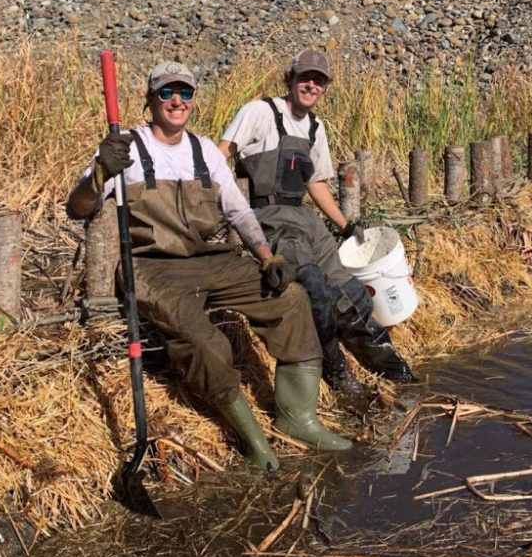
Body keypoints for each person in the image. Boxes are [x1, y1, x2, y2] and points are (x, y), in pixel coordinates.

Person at [66, 60, 352, 466]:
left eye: (184, 92)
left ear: (193, 101)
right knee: (203, 340)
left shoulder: (203, 150)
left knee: (290, 298)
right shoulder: (123, 148)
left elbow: (238, 213)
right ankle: (251, 436)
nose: (177, 100)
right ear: (151, 100)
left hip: (210, 259)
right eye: (167, 92)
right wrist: (99, 174)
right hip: (153, 268)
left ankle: (298, 418)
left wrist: (268, 257)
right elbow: (77, 208)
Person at [217, 49, 415, 400]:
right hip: (270, 217)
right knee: (316, 291)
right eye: (305, 77)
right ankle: (337, 374)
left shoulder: (315, 128)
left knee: (354, 294)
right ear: (290, 79)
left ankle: (394, 372)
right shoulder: (259, 111)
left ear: (324, 87)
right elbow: (222, 154)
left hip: (306, 219)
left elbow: (317, 183)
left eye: (319, 80)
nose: (311, 85)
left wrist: (345, 226)